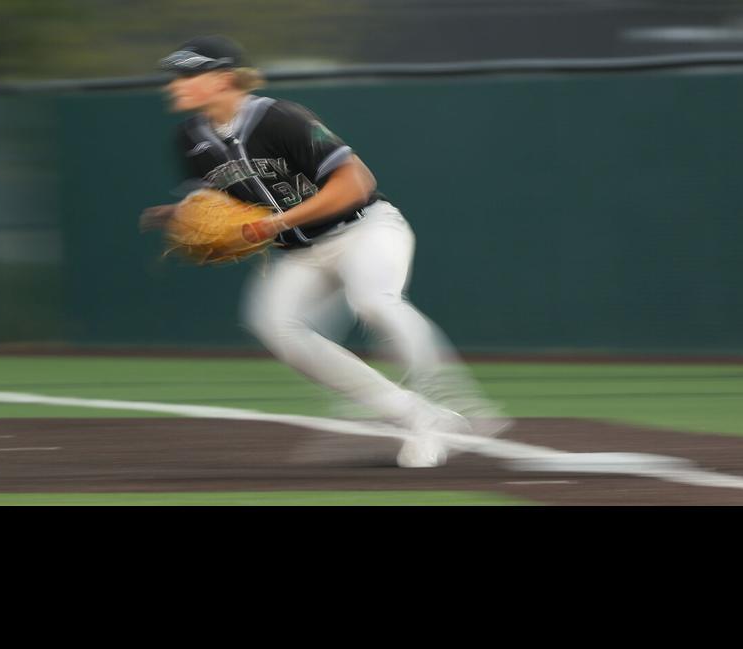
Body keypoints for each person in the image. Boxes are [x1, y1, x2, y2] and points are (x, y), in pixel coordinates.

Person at [139, 36, 505, 468]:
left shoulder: (279, 119)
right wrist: (179, 213)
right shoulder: (189, 139)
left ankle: (453, 400)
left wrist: (277, 222)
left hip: (366, 230)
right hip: (303, 253)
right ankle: (417, 415)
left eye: (186, 75)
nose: (174, 84)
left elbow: (356, 183)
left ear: (221, 79)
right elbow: (213, 204)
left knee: (374, 303)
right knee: (274, 325)